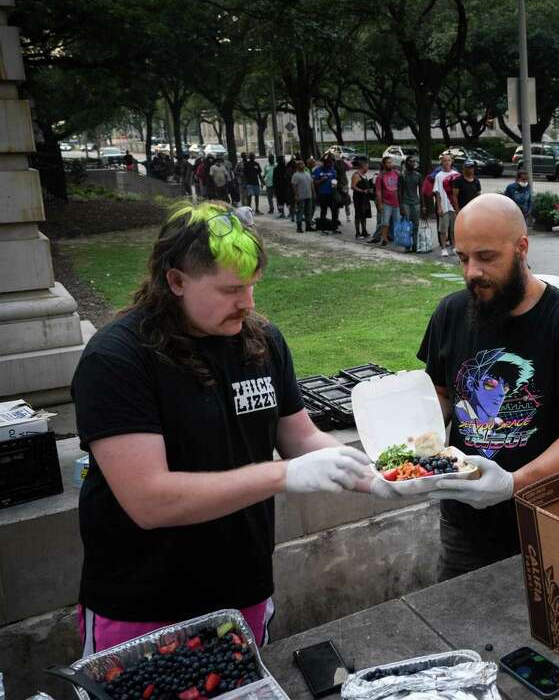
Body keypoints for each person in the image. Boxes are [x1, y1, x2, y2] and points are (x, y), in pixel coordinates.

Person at [70, 202, 376, 654]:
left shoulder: (261, 339)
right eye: (232, 289)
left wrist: (378, 474)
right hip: (144, 605)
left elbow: (299, 437)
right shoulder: (117, 358)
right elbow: (149, 500)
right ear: (175, 280)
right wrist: (281, 476)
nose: (248, 303)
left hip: (243, 590)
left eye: (252, 286)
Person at [410, 194, 559, 580]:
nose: (472, 272)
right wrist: (409, 443)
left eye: (486, 258)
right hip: (464, 523)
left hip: (547, 519)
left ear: (522, 248)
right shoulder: (450, 313)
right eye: (462, 258)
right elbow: (442, 394)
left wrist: (512, 484)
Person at [433, 154, 458, 257]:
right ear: (441, 162)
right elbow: (437, 192)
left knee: (454, 229)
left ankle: (454, 247)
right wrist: (439, 206)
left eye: (448, 160)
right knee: (443, 229)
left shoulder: (456, 174)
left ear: (451, 162)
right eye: (444, 161)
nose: (447, 162)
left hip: (453, 206)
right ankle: (444, 248)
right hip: (444, 205)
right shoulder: (439, 176)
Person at [374, 156, 401, 247]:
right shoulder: (380, 176)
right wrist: (380, 203)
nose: (390, 164)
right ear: (384, 164)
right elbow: (378, 191)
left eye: (391, 162)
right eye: (388, 163)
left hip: (397, 202)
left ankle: (397, 238)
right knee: (385, 222)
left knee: (397, 221)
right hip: (386, 203)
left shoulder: (397, 173)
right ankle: (384, 239)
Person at [312, 155, 339, 234]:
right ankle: (323, 228)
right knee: (323, 211)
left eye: (331, 163)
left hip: (332, 194)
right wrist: (321, 180)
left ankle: (334, 228)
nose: (330, 164)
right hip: (323, 194)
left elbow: (335, 180)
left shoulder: (333, 170)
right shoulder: (318, 170)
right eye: (328, 162)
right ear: (324, 162)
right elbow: (314, 183)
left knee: (334, 211)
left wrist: (335, 185)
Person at [350, 156, 374, 240]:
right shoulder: (356, 175)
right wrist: (362, 191)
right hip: (359, 198)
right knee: (358, 215)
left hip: (365, 198)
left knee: (364, 215)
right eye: (367, 166)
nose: (368, 168)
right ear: (363, 166)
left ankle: (364, 231)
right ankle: (357, 233)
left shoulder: (364, 175)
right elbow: (353, 186)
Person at [400, 155, 423, 242]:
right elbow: (399, 192)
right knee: (406, 224)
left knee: (416, 224)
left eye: (414, 161)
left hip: (416, 203)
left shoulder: (418, 175)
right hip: (405, 203)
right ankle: (407, 243)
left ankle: (415, 243)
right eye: (410, 161)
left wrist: (423, 205)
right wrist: (401, 206)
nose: (412, 163)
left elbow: (421, 191)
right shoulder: (402, 175)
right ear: (406, 163)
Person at [291, 160, 314, 233]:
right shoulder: (296, 175)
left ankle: (308, 226)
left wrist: (314, 192)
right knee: (300, 212)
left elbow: (311, 183)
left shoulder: (307, 173)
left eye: (303, 164)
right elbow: (294, 186)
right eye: (301, 164)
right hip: (301, 196)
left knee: (308, 211)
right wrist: (296, 195)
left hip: (308, 195)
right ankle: (299, 227)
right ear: (297, 166)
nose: (303, 165)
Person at [273, 156, 292, 221]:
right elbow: (275, 180)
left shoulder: (284, 168)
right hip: (283, 187)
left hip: (283, 187)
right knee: (284, 201)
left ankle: (286, 213)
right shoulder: (283, 168)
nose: (283, 161)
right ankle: (285, 213)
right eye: (283, 160)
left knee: (285, 201)